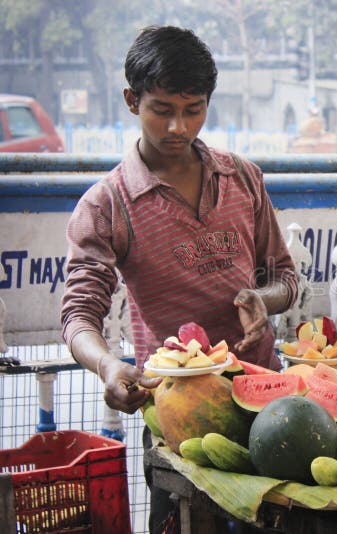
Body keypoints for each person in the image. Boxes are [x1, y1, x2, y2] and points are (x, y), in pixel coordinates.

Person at [60, 25, 297, 533]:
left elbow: (285, 278)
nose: (177, 127)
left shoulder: (243, 178)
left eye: (193, 110)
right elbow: (79, 315)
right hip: (175, 415)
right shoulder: (108, 204)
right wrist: (106, 365)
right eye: (162, 109)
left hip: (265, 396)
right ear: (131, 100)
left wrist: (263, 298)